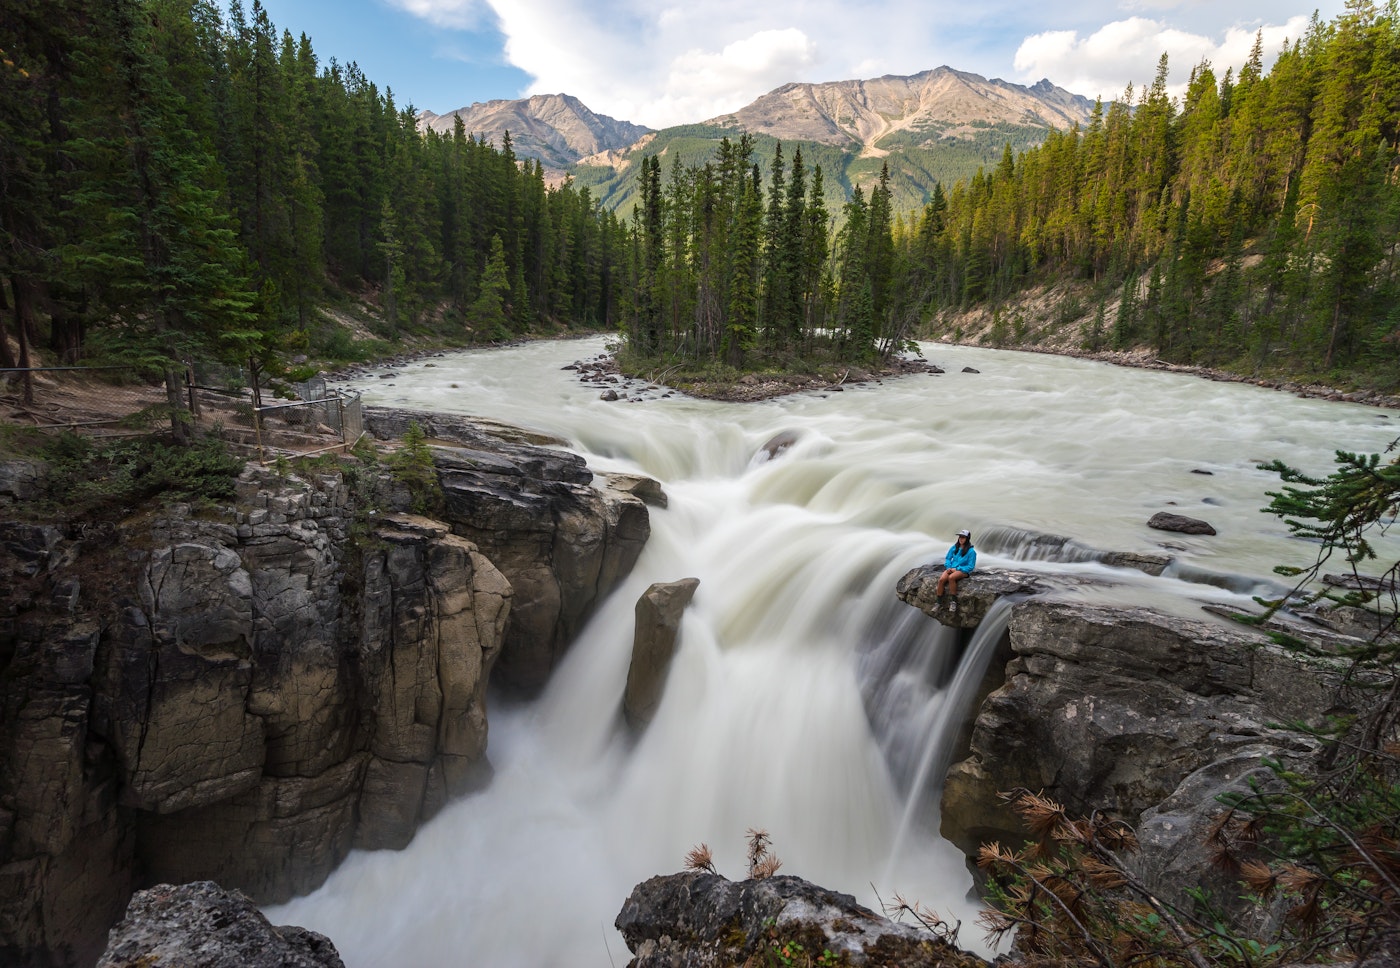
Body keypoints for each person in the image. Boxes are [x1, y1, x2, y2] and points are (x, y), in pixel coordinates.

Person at [934, 530, 976, 612]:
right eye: (960, 537)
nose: (961, 539)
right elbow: (948, 558)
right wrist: (948, 567)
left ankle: (954, 602)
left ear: (967, 539)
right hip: (952, 568)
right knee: (942, 579)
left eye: (963, 537)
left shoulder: (971, 552)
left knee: (951, 577)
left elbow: (971, 566)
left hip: (963, 570)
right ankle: (938, 602)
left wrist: (957, 569)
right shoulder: (954, 547)